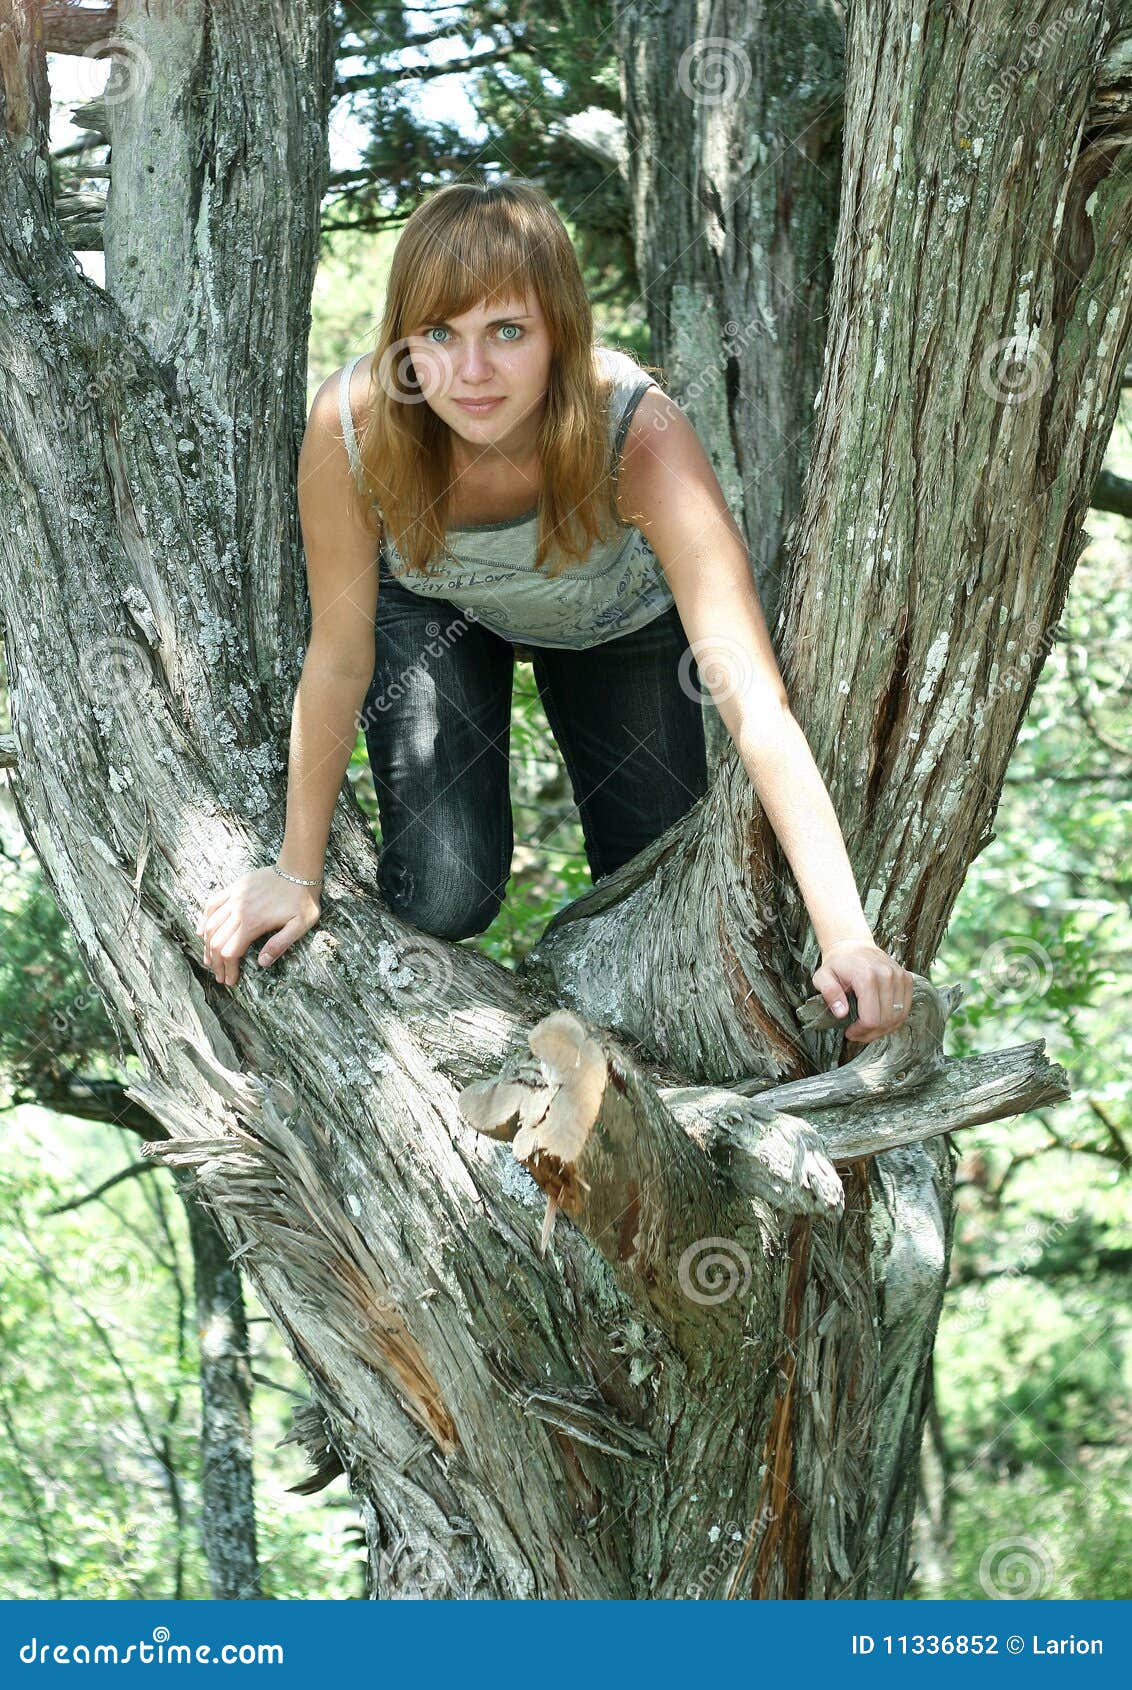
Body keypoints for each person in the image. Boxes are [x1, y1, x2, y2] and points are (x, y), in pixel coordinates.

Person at [198, 178, 913, 1045]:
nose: (471, 373)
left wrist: (847, 934)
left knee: (651, 897)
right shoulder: (354, 425)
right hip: (438, 608)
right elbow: (340, 657)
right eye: (438, 335)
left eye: (508, 331)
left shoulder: (634, 431)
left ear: (560, 333)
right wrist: (295, 874)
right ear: (404, 344)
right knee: (444, 896)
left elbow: (754, 699)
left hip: (611, 623)